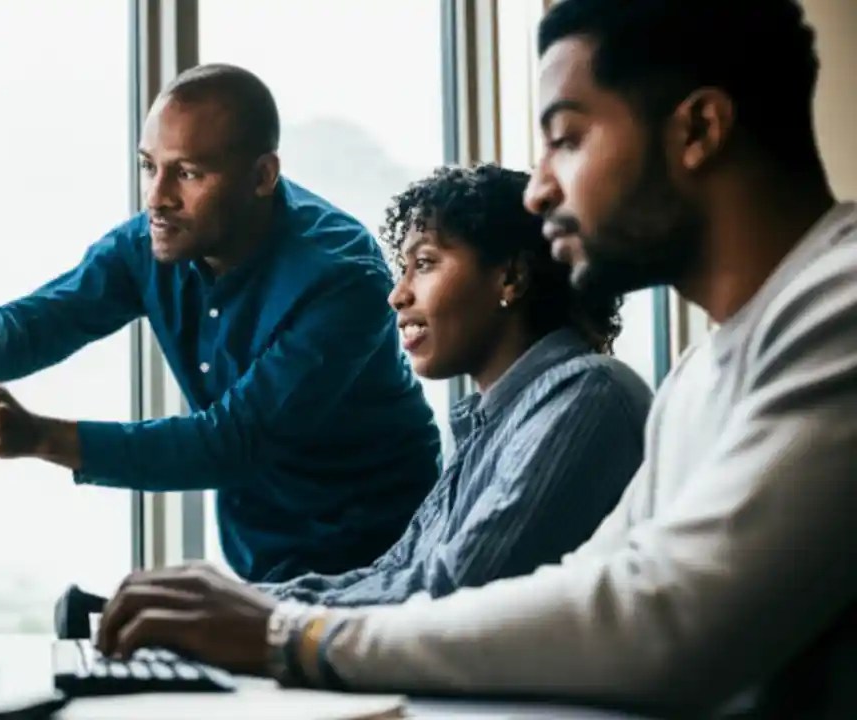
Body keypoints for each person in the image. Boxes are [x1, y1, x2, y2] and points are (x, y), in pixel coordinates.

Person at [93, 1, 857, 715]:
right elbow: (587, 585)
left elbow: (660, 621)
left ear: (699, 129)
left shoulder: (842, 310)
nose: (539, 190)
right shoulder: (704, 371)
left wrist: (283, 634)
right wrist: (253, 615)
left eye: (567, 137)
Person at [0, 64, 442, 583]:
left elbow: (234, 441)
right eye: (149, 166)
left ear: (262, 176)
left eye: (189, 173)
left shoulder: (342, 275)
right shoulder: (151, 242)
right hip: (265, 556)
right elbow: (36, 324)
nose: (157, 196)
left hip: (389, 550)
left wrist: (39, 436)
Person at [263, 164, 650, 608]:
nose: (398, 295)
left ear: (510, 278)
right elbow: (392, 573)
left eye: (424, 263)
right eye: (403, 268)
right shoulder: (493, 421)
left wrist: (261, 615)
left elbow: (453, 590)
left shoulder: (590, 395)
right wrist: (245, 602)